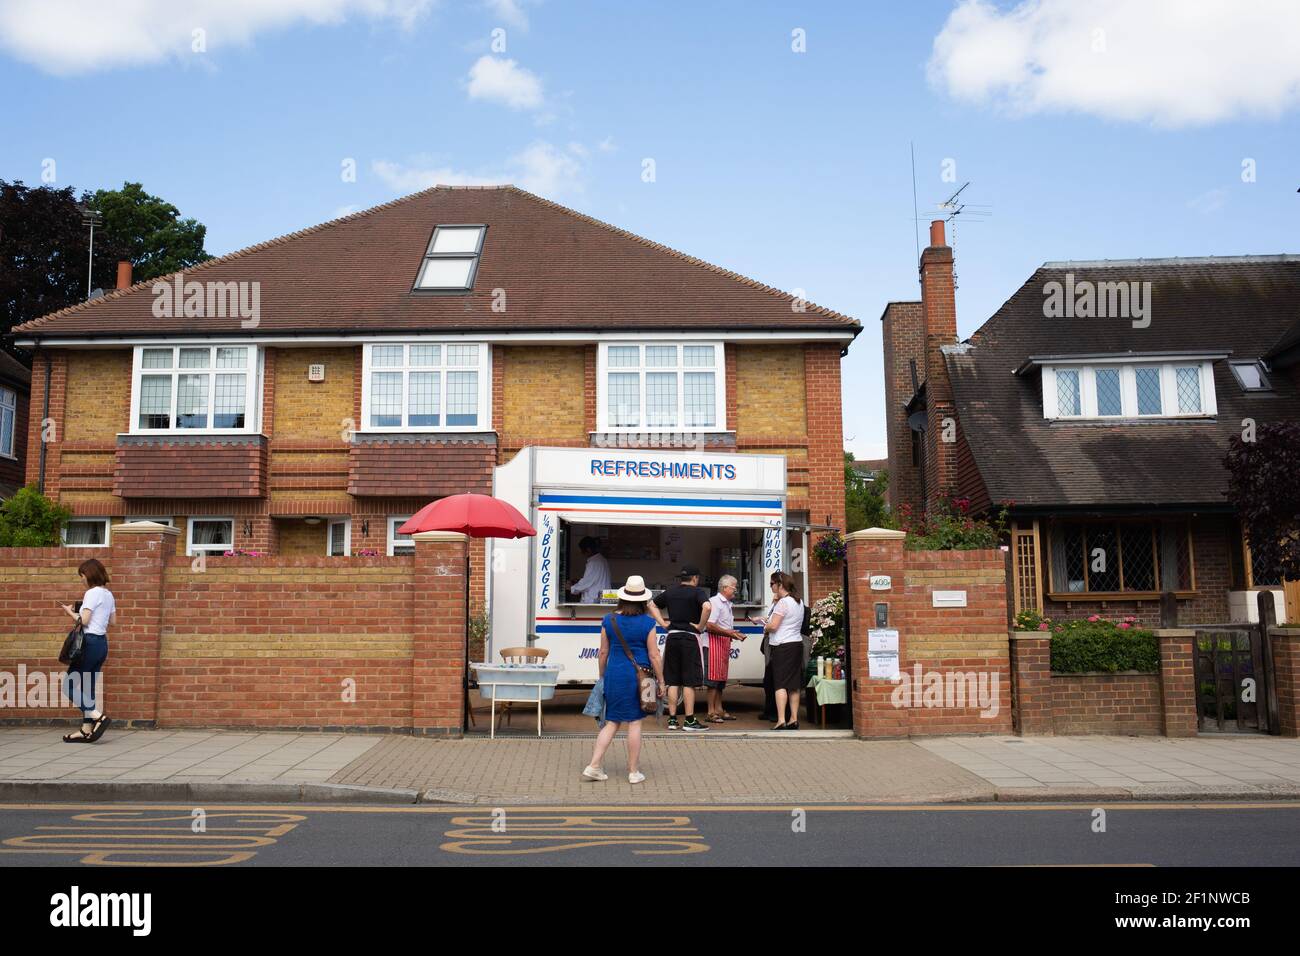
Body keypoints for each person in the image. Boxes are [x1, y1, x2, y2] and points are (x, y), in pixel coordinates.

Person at [583, 575, 666, 784]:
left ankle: (594, 765)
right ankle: (633, 771)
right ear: (642, 600)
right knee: (635, 722)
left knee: (611, 722)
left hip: (614, 674)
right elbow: (655, 655)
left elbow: (603, 652)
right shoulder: (648, 623)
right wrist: (662, 681)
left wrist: (603, 676)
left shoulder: (609, 620)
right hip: (641, 677)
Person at [59, 558, 115, 743]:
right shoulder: (108, 595)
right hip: (101, 645)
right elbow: (113, 621)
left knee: (68, 686)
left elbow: (84, 621)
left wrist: (69, 612)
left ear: (89, 575)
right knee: (87, 687)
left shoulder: (91, 593)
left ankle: (99, 717)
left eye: (82, 576)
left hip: (88, 644)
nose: (81, 579)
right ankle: (86, 729)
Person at [654, 565, 711, 732]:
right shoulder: (697, 592)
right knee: (689, 681)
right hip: (689, 638)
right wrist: (700, 626)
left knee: (672, 681)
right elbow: (707, 607)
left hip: (672, 637)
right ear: (695, 578)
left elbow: (651, 604)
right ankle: (689, 720)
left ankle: (672, 720)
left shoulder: (671, 591)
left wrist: (663, 623)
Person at [751, 571, 805, 730]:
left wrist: (764, 626)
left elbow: (774, 626)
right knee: (793, 685)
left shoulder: (783, 603)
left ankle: (781, 719)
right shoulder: (798, 601)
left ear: (780, 584)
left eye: (772, 584)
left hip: (782, 646)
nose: (771, 587)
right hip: (796, 644)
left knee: (780, 684)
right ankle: (793, 719)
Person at [703, 574, 744, 722]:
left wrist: (732, 634)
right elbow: (709, 625)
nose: (736, 590)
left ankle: (719, 709)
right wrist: (730, 633)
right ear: (725, 587)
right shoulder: (715, 602)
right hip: (713, 644)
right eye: (734, 587)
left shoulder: (727, 603)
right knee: (713, 679)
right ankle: (710, 711)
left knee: (720, 680)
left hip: (723, 643)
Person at [568, 536, 612, 605]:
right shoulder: (602, 560)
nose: (582, 554)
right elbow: (595, 579)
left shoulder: (594, 563)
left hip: (593, 601)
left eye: (582, 551)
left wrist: (571, 588)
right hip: (603, 599)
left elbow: (586, 583)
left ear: (588, 550)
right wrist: (579, 580)